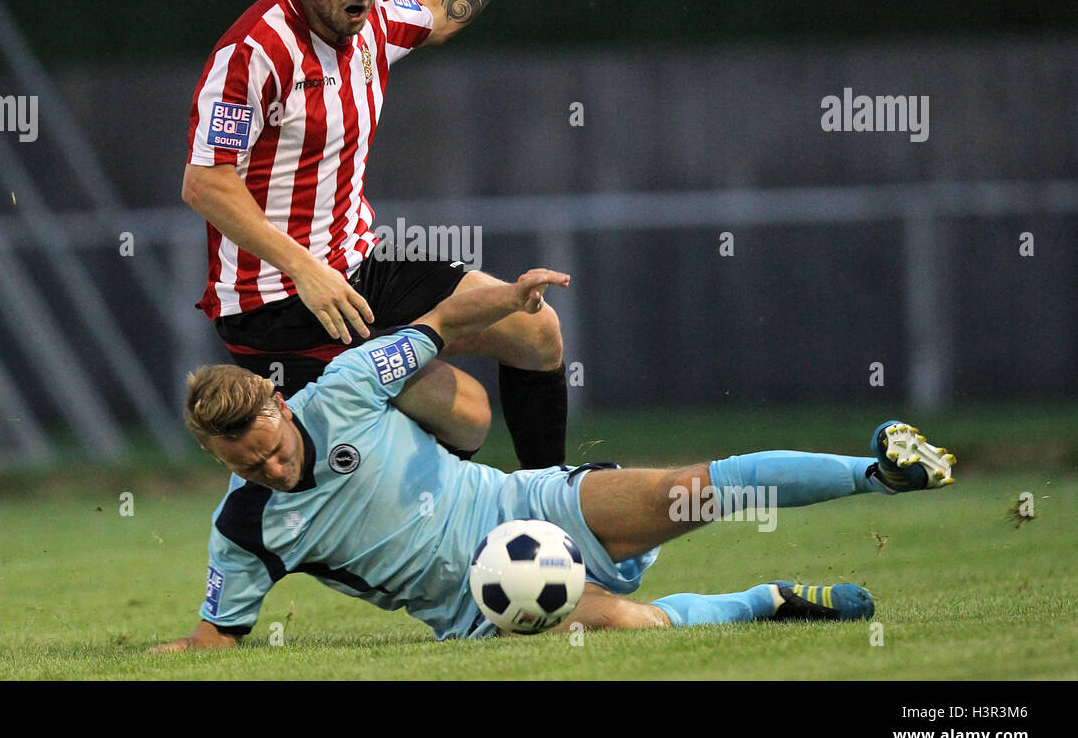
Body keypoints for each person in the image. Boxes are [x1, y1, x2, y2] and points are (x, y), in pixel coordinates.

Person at [150, 269, 957, 650]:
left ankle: (876, 471)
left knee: (694, 491)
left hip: (525, 508)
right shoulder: (246, 527)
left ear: (280, 405)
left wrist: (510, 297)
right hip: (482, 607)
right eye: (254, 469)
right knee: (630, 629)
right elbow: (215, 636)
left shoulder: (350, 382)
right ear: (219, 460)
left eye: (276, 452)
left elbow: (438, 319)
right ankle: (762, 602)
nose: (277, 471)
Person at [182, 0, 586, 469]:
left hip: (358, 270)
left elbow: (439, 13)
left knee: (536, 329)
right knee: (468, 413)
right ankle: (377, 507)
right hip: (276, 303)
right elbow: (206, 183)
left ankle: (550, 505)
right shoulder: (255, 52)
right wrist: (305, 268)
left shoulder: (371, 20)